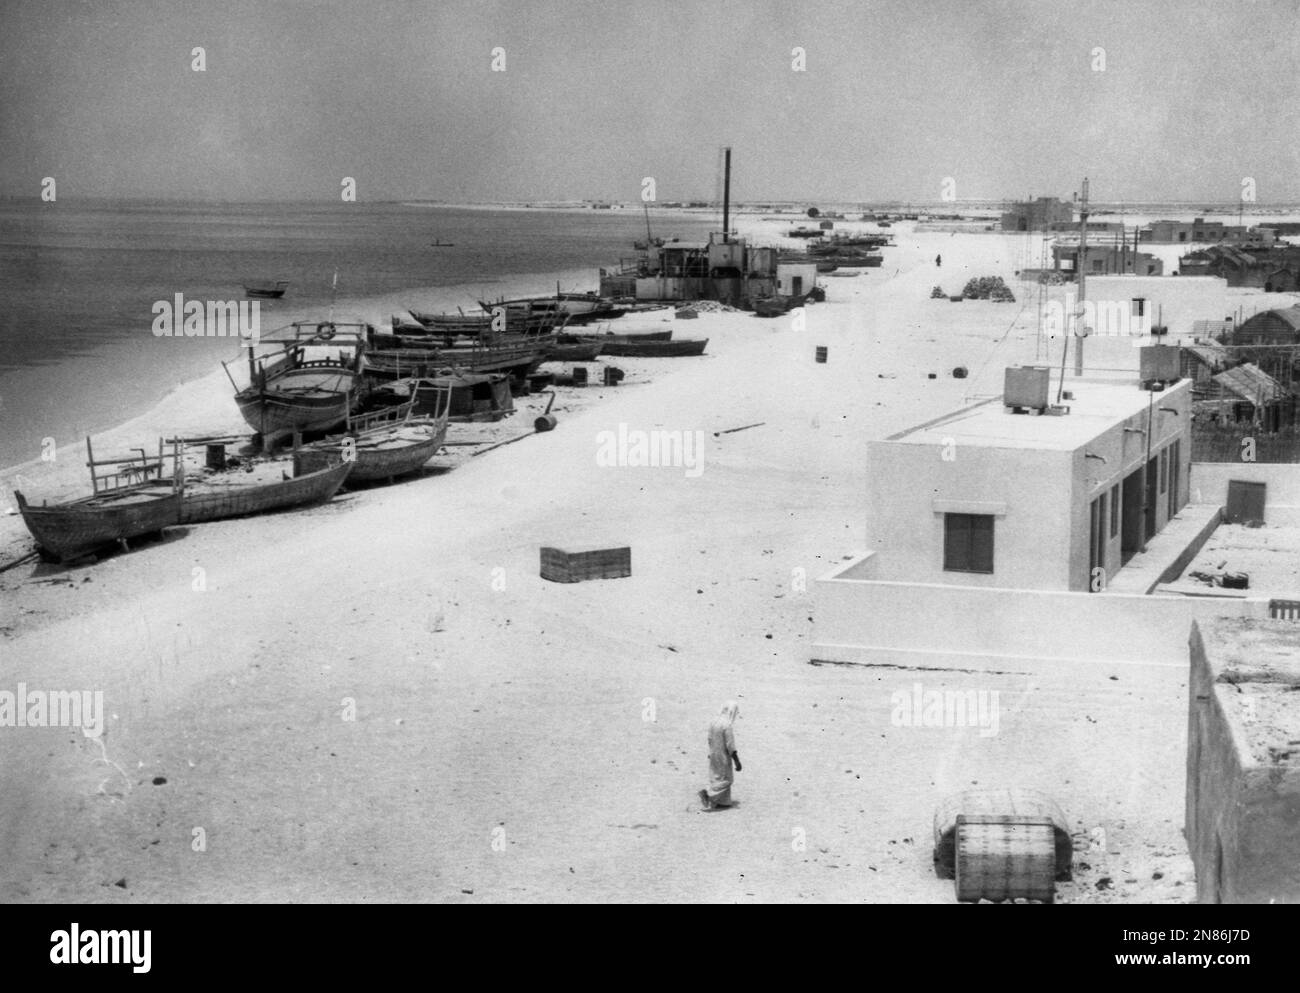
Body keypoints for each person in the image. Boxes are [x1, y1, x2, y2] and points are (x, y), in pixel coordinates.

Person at [699, 700, 742, 809]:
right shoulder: (727, 725)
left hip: (713, 753)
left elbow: (709, 738)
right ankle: (708, 794)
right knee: (727, 779)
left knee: (716, 777)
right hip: (723, 756)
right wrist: (737, 761)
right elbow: (730, 745)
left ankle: (722, 802)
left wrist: (711, 751)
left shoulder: (714, 721)